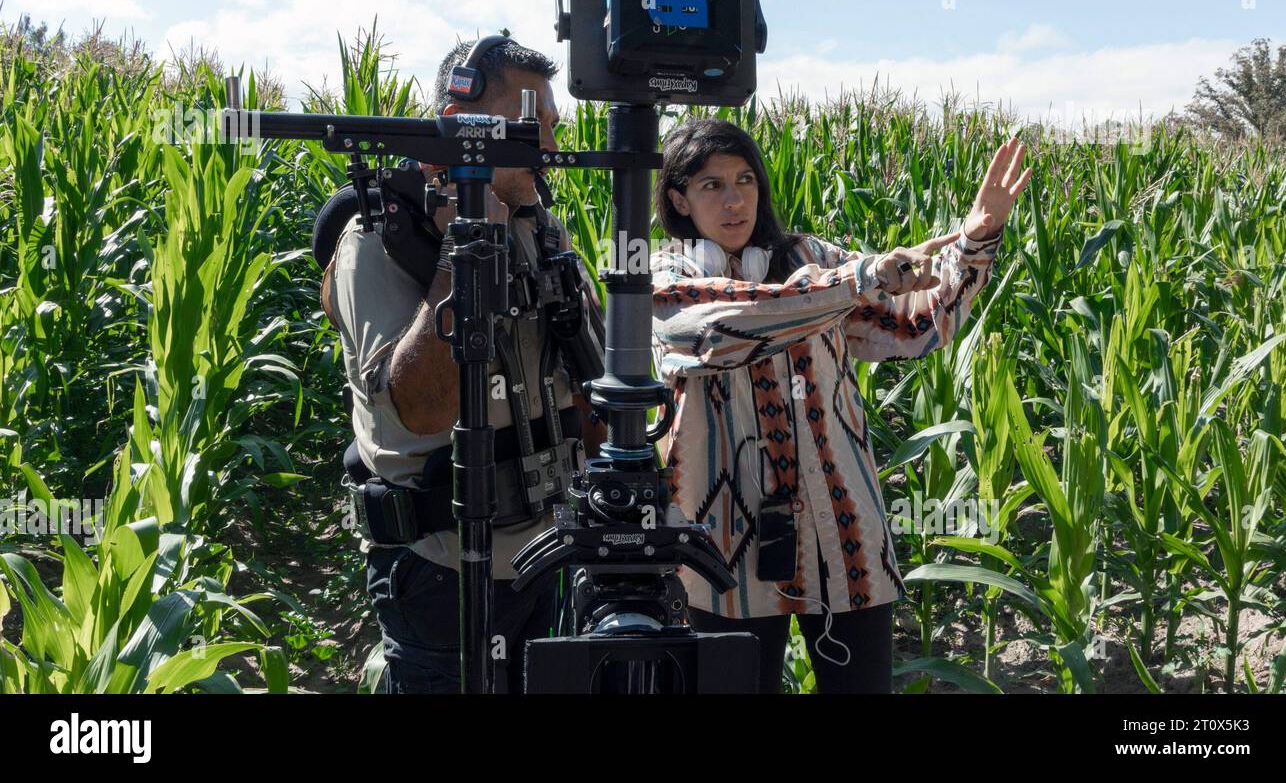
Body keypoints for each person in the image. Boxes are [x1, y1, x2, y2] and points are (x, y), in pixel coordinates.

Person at [648, 117, 1029, 693]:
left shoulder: (811, 256)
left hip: (841, 530)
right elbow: (715, 330)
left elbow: (914, 325)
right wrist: (854, 283)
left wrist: (975, 242)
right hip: (723, 548)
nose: (735, 200)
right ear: (679, 197)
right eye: (712, 185)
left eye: (746, 180)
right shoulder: (664, 274)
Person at [320, 34, 607, 693]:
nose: (553, 150)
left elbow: (583, 386)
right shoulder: (382, 239)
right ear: (463, 128)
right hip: (441, 575)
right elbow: (419, 410)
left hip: (551, 559)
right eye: (533, 130)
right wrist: (466, 246)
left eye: (553, 130)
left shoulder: (545, 234)